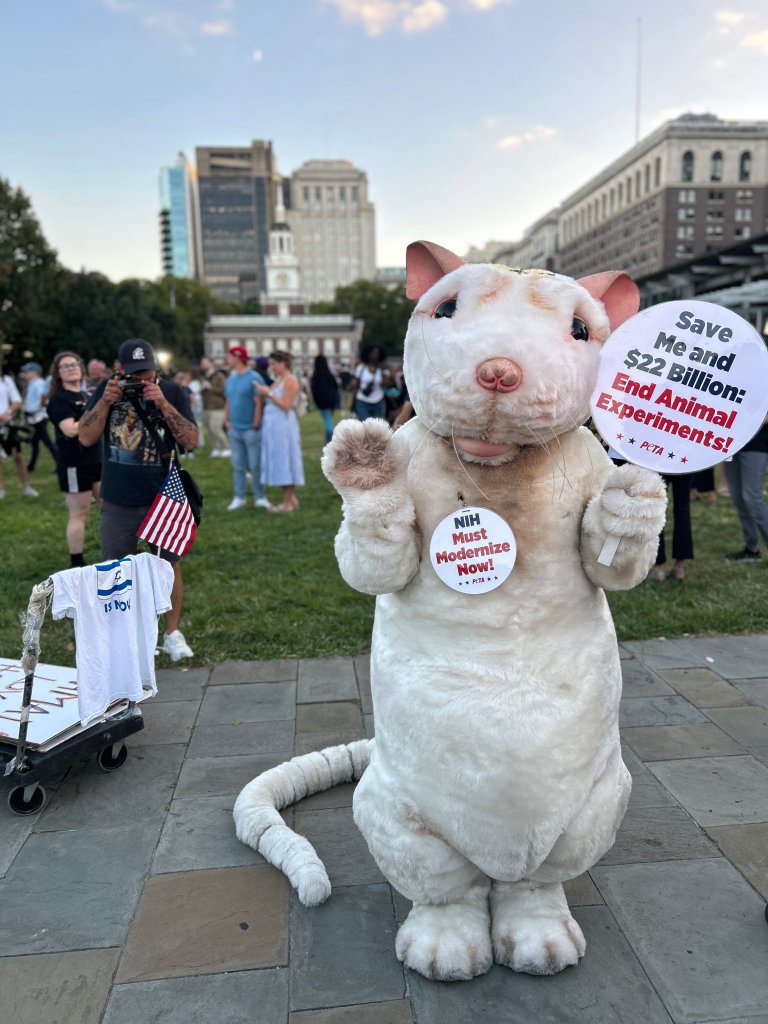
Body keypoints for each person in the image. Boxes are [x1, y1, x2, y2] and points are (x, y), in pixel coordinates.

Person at [78, 338, 198, 661]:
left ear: (156, 368)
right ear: (119, 369)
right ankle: (124, 639)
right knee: (116, 569)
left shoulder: (171, 392)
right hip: (118, 497)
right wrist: (104, 402)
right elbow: (85, 436)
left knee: (169, 566)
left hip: (162, 496)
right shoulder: (108, 389)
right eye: (133, 373)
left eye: (146, 372)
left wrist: (163, 404)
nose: (141, 380)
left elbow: (191, 439)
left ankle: (172, 634)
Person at [46, 352, 102, 567]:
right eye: (65, 366)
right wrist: (95, 421)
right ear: (58, 374)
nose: (71, 368)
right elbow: (69, 430)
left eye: (74, 364)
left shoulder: (87, 397)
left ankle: (113, 552)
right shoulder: (59, 399)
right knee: (80, 513)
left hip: (97, 459)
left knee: (108, 508)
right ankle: (76, 562)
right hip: (74, 463)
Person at [255, 351, 305, 513]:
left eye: (274, 364)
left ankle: (287, 502)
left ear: (284, 363)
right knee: (278, 459)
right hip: (273, 425)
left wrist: (267, 393)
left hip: (283, 425)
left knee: (285, 459)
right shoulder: (278, 379)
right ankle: (291, 498)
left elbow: (286, 405)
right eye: (270, 364)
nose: (272, 367)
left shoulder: (290, 380)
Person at [222, 346, 270, 511]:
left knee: (255, 465)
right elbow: (228, 401)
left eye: (230, 356)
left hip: (251, 429)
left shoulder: (254, 377)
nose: (227, 359)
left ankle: (260, 496)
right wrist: (226, 420)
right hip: (234, 429)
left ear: (237, 357)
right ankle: (239, 497)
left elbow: (259, 403)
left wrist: (255, 425)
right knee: (237, 465)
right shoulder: (230, 379)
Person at [723, 416, 768, 562]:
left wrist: (743, 416)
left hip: (757, 444)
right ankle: (751, 550)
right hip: (729, 443)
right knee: (738, 498)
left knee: (752, 497)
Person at [0, 370, 38, 499]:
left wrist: (8, 412)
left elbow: (17, 401)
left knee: (18, 456)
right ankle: (1, 490)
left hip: (6, 424)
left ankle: (26, 486)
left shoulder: (5, 380)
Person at [652, 473, 694, 581]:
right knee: (682, 509)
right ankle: (679, 566)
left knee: (656, 509)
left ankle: (658, 567)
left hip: (658, 461)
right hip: (686, 463)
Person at [21, 362, 57, 472]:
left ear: (34, 372)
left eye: (27, 372)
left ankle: (59, 463)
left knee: (47, 442)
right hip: (34, 417)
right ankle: (31, 466)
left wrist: (33, 410)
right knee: (35, 443)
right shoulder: (32, 384)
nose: (25, 374)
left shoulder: (39, 384)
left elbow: (42, 399)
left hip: (39, 417)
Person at [351, 345, 391, 421]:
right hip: (362, 400)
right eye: (372, 353)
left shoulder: (382, 368)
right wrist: (352, 402)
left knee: (377, 425)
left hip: (378, 400)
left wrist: (384, 374)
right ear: (367, 354)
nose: (375, 355)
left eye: (377, 353)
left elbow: (387, 384)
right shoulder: (361, 368)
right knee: (364, 423)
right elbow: (356, 385)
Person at [199, 356, 229, 456]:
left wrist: (211, 387)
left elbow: (224, 390)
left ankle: (226, 447)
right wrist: (202, 389)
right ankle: (216, 448)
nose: (203, 365)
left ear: (211, 363)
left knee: (216, 428)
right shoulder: (204, 377)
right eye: (202, 363)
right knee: (210, 429)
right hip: (207, 406)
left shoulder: (219, 375)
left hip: (218, 406)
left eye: (205, 363)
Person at [310, 355, 339, 442]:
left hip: (321, 402)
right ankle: (327, 439)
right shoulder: (329, 375)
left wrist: (317, 402)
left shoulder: (315, 377)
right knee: (328, 418)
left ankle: (331, 439)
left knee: (327, 422)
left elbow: (314, 391)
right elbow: (336, 387)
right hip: (331, 401)